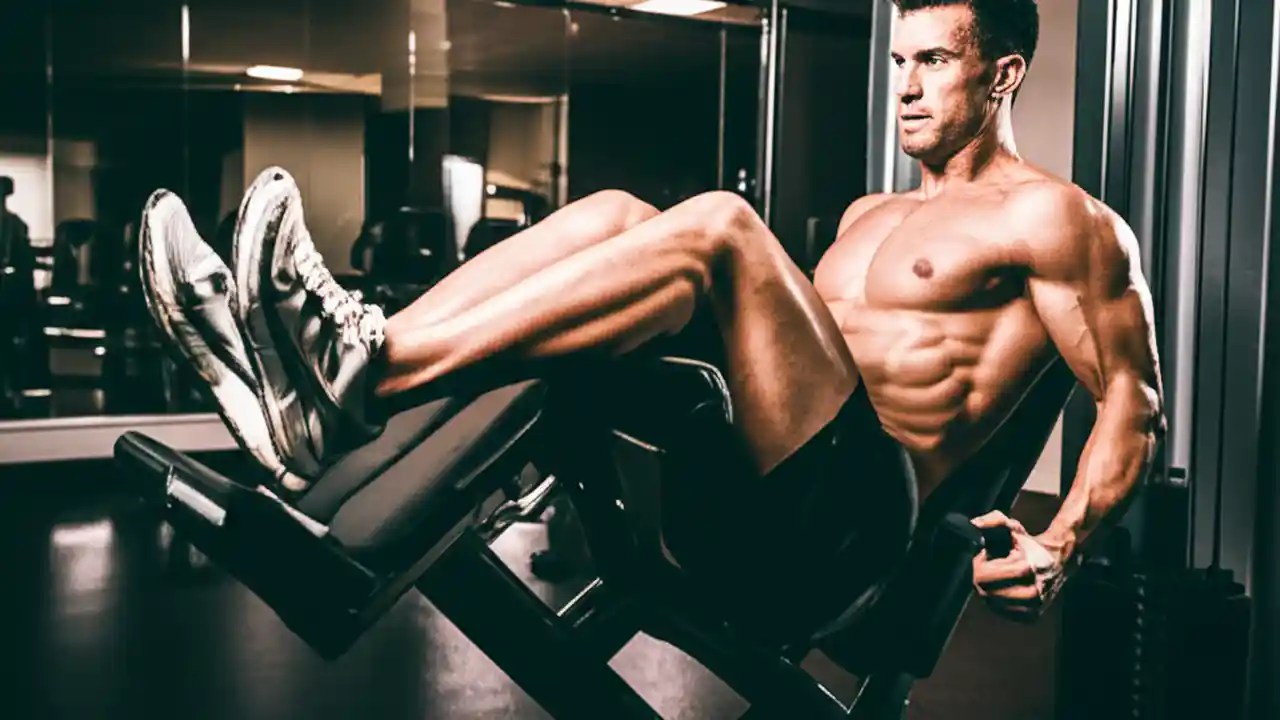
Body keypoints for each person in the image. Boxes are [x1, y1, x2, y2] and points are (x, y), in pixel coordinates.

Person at [139, 0, 1163, 631]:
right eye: (897, 61)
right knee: (623, 216)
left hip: (844, 535)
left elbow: (1132, 399)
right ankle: (328, 416)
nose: (902, 86)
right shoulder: (867, 214)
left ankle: (364, 367)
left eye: (931, 62)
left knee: (716, 225)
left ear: (1002, 74)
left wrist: (1060, 543)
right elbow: (782, 381)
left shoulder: (1054, 218)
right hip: (748, 493)